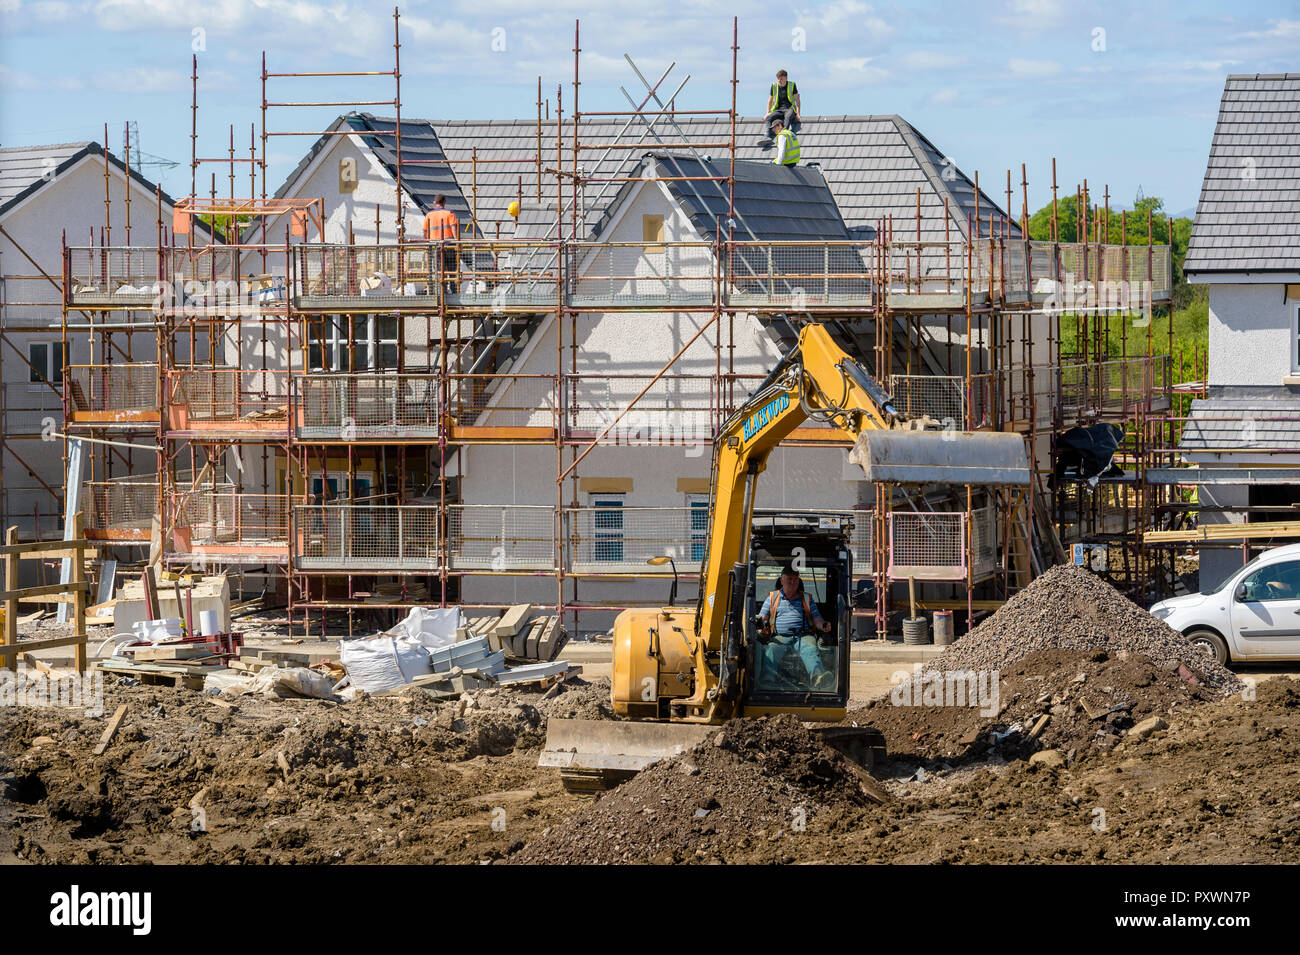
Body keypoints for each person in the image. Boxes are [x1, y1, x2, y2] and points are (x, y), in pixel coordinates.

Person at [756, 563, 834, 691]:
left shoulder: (807, 598)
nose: (792, 582)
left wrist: (823, 626)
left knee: (810, 648)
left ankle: (818, 678)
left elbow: (817, 619)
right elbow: (762, 618)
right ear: (782, 580)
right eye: (789, 579)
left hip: (802, 636)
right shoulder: (772, 598)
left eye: (795, 579)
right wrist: (761, 626)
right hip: (780, 637)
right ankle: (767, 682)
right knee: (771, 650)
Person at [421, 194, 460, 293]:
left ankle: (442, 291)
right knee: (452, 269)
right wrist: (457, 242)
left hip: (435, 246)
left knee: (439, 269)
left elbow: (425, 232)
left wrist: (427, 243)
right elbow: (454, 228)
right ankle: (454, 292)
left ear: (435, 203)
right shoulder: (449, 213)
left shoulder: (429, 215)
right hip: (449, 245)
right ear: (444, 202)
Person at [759, 69, 801, 147]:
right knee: (768, 118)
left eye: (781, 79)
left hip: (790, 108)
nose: (779, 80)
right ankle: (767, 136)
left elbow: (797, 100)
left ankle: (783, 135)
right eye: (778, 79)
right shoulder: (774, 86)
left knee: (787, 118)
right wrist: (767, 113)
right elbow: (770, 101)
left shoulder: (792, 85)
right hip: (778, 109)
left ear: (786, 78)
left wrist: (798, 114)